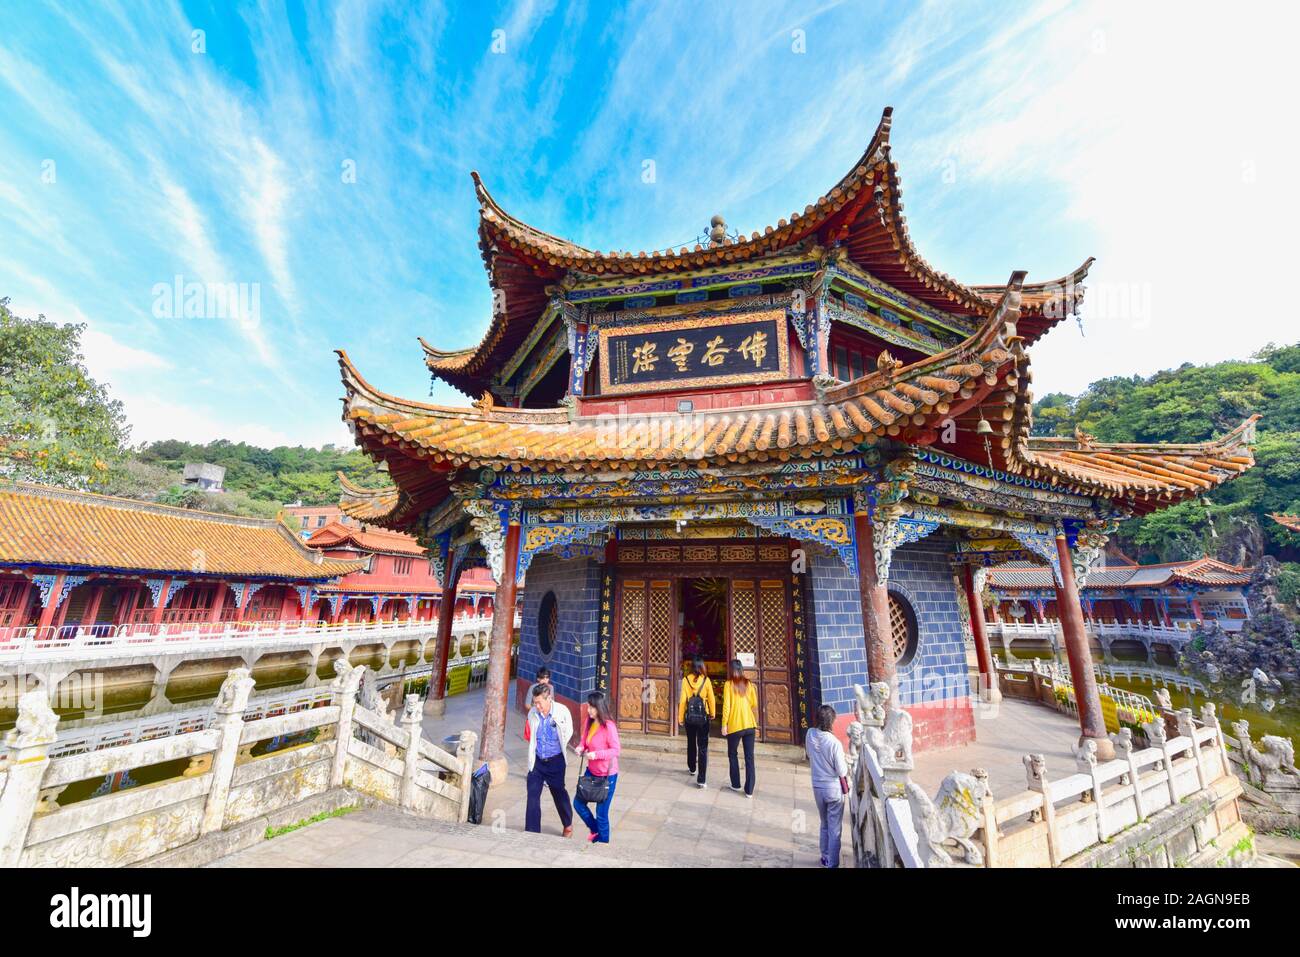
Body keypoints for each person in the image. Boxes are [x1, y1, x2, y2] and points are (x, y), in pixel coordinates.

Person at [525, 683, 573, 837]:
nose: (536, 706)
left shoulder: (562, 711)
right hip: (538, 761)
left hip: (556, 761)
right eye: (534, 702)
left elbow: (568, 732)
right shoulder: (532, 713)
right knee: (532, 795)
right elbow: (531, 735)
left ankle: (567, 824)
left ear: (549, 699)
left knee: (559, 793)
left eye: (539, 702)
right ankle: (532, 833)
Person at [572, 690, 621, 844]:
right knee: (578, 804)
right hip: (591, 772)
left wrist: (597, 754)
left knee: (601, 813)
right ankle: (595, 830)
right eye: (588, 707)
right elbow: (584, 741)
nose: (589, 710)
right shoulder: (589, 721)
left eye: (591, 707)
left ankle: (603, 845)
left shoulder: (609, 726)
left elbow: (616, 750)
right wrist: (580, 747)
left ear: (599, 707)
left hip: (607, 776)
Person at [805, 704, 850, 868]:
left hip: (817, 787)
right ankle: (833, 863)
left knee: (824, 824)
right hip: (833, 789)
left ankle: (824, 857)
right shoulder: (834, 743)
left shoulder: (810, 734)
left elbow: (809, 755)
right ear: (832, 721)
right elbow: (842, 770)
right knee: (835, 829)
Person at [721, 657, 758, 797]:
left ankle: (736, 784)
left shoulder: (728, 685)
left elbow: (726, 706)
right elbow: (754, 703)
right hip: (750, 725)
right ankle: (749, 790)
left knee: (732, 754)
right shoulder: (749, 684)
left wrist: (724, 724)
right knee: (749, 757)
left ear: (731, 670)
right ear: (741, 669)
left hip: (735, 726)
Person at [678, 656, 716, 788]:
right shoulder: (706, 681)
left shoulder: (685, 680)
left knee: (691, 742)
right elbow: (711, 698)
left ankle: (692, 767)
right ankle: (701, 779)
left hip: (690, 717)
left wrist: (680, 718)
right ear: (702, 667)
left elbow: (683, 700)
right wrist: (712, 713)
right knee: (703, 747)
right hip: (702, 717)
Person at [523, 667, 552, 741]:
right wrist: (538, 708)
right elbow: (527, 705)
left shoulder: (551, 688)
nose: (545, 680)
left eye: (547, 677)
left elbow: (552, 702)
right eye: (543, 678)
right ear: (538, 679)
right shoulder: (533, 688)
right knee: (535, 741)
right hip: (536, 717)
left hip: (547, 718)